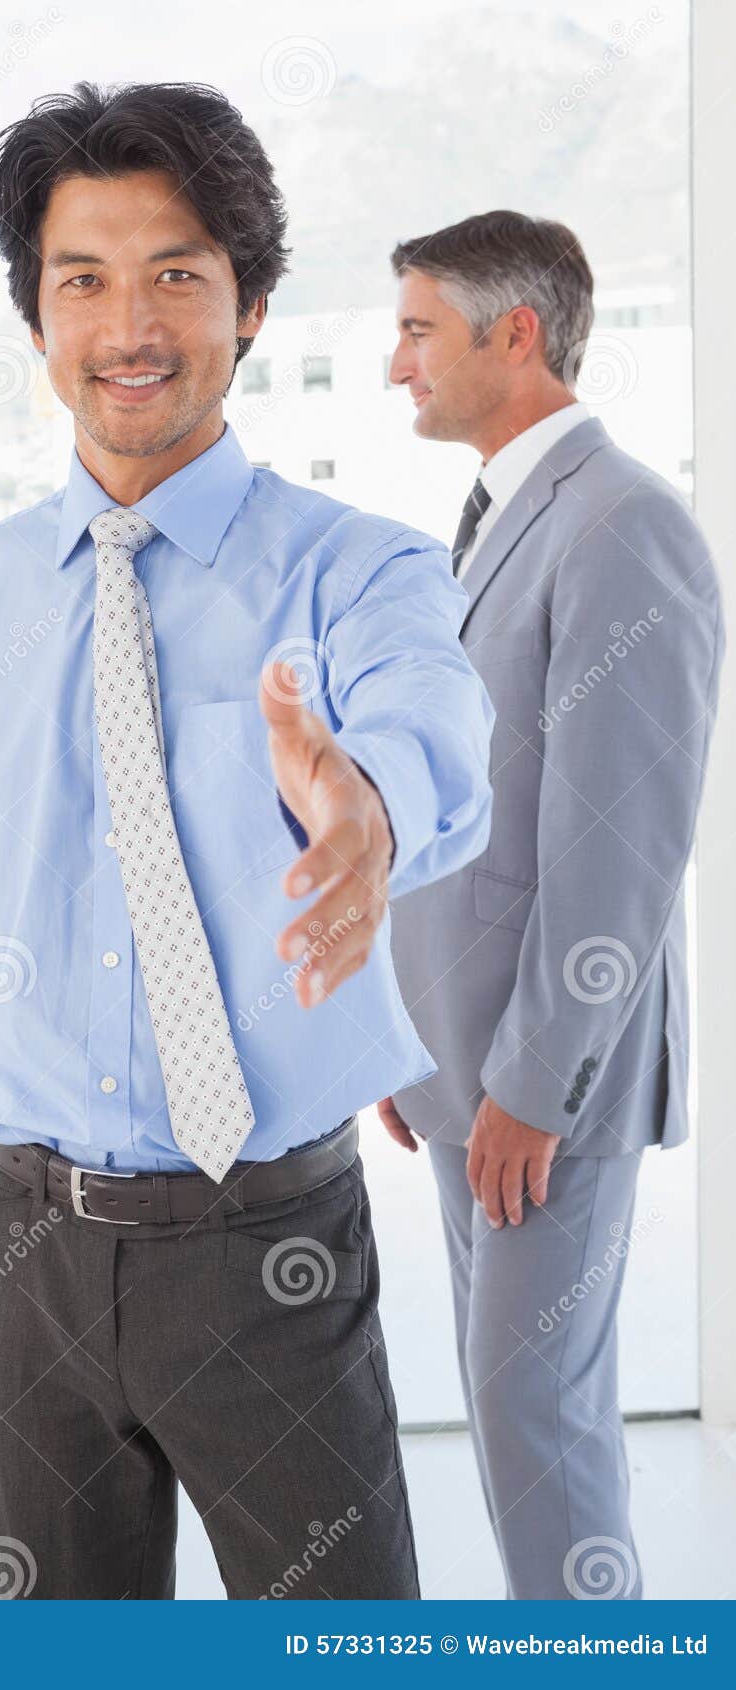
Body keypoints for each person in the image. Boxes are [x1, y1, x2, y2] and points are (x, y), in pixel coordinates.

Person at [0, 82, 493, 1601]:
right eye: (81, 278)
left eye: (176, 274)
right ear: (34, 320)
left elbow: (434, 728)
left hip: (263, 1238)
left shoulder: (360, 572)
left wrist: (376, 807)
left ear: (252, 306)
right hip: (25, 1237)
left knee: (341, 1640)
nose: (127, 322)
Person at [380, 210, 724, 1600]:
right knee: (516, 1408)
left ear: (510, 334)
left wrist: (535, 1079)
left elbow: (621, 847)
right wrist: (410, 1043)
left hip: (543, 1079)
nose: (395, 364)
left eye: (415, 329)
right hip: (470, 1067)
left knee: (540, 1421)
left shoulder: (622, 523)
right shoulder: (505, 515)